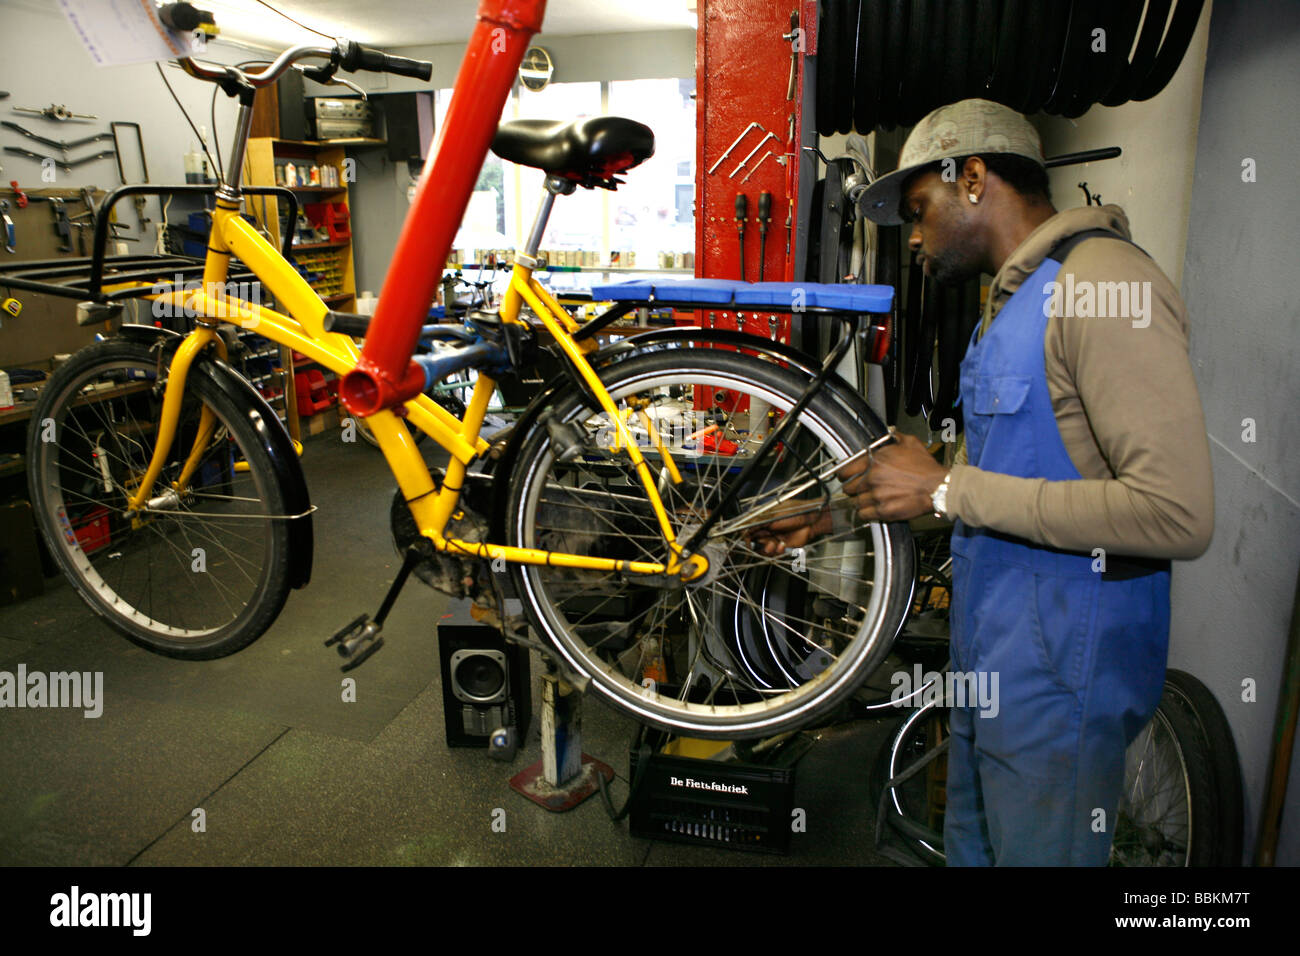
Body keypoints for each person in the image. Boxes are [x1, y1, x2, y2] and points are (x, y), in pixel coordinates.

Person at [756, 98, 1213, 865]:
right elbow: (982, 484)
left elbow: (1176, 512)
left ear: (972, 178)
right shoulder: (1004, 311)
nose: (916, 240)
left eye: (919, 210)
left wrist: (944, 489)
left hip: (1058, 694)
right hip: (989, 672)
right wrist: (833, 517)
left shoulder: (1105, 287)